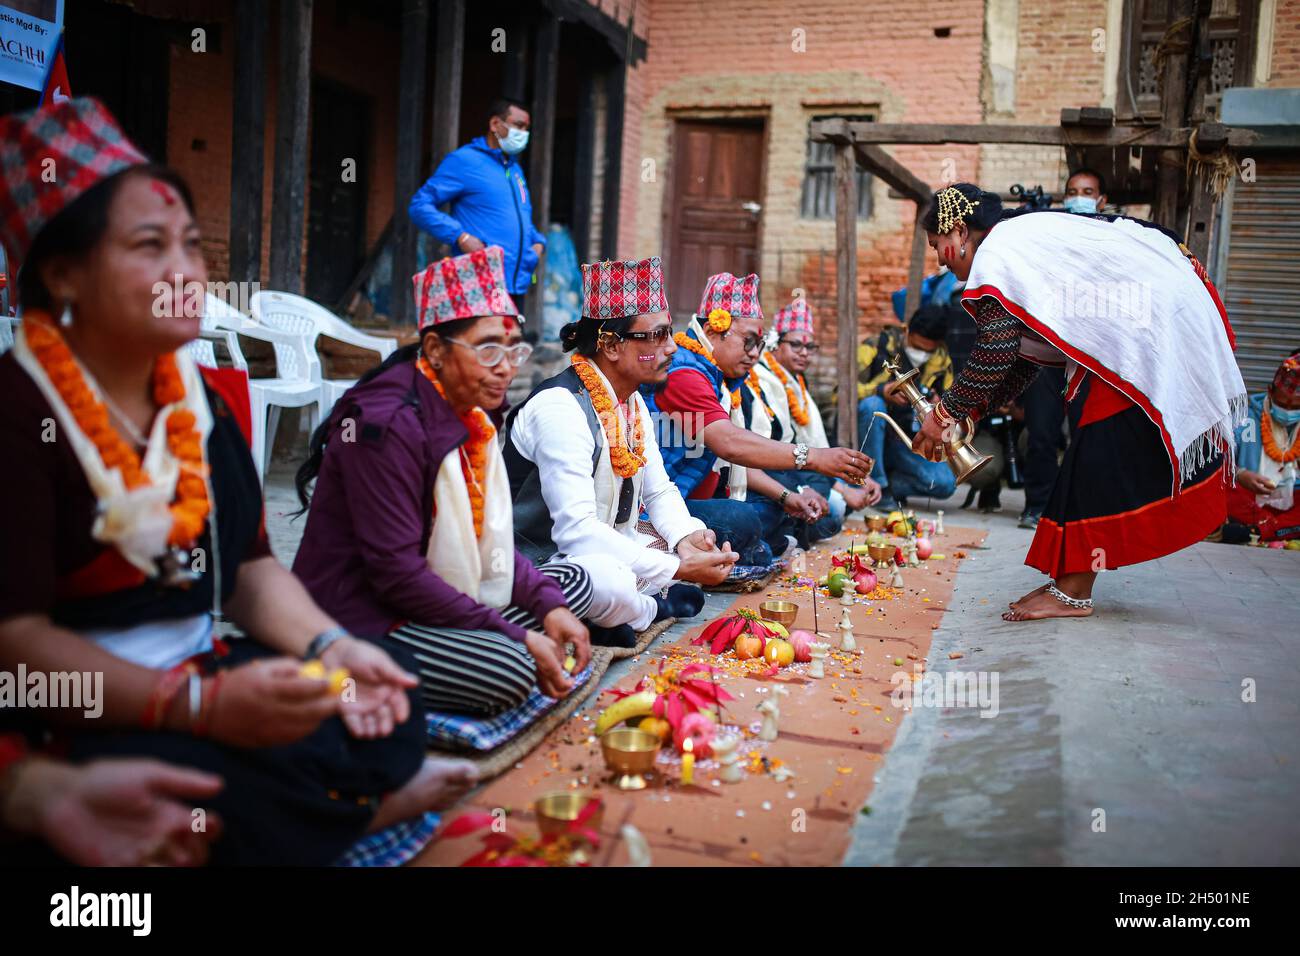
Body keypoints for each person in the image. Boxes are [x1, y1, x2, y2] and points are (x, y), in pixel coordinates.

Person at [0, 98, 474, 867]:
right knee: (194, 801)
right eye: (151, 247)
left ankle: (320, 813)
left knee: (385, 701)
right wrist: (197, 708)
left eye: (190, 245)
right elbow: (15, 648)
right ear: (63, 274)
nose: (187, 272)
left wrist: (329, 647)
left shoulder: (198, 402)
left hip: (202, 671)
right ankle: (335, 819)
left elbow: (250, 568)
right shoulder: (22, 413)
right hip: (77, 712)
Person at [910, 183, 1246, 621]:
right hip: (1149, 318)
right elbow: (1022, 360)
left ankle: (1073, 594)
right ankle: (1067, 585)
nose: (938, 258)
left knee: (1094, 458)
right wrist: (971, 411)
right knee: (1090, 459)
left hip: (1147, 325)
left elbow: (995, 350)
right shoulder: (1014, 241)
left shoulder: (998, 253)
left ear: (958, 230)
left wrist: (943, 414)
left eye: (937, 245)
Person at [293, 246, 593, 717]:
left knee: (570, 584)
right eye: (488, 348)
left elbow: (486, 541)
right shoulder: (385, 425)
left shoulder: (472, 410)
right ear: (434, 349)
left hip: (440, 585)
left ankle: (502, 634)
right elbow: (396, 577)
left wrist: (546, 606)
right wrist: (517, 634)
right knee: (511, 669)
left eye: (513, 348)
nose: (506, 367)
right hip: (367, 614)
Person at [504, 257, 738, 641]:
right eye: (657, 336)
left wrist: (686, 540)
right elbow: (577, 532)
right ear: (611, 345)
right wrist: (677, 569)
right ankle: (649, 608)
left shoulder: (631, 403)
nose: (670, 350)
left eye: (670, 334)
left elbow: (659, 489)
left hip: (601, 547)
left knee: (696, 535)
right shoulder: (560, 408)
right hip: (544, 561)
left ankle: (627, 609)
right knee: (608, 582)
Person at [644, 273, 873, 566]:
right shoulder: (685, 373)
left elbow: (734, 459)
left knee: (788, 509)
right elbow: (729, 443)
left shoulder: (722, 378)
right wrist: (813, 457)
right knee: (743, 520)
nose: (754, 354)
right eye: (748, 342)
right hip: (663, 505)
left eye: (759, 344)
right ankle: (753, 550)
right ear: (713, 331)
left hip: (702, 491)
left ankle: (757, 548)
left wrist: (787, 496)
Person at [1016, 168, 1108, 529]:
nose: (1079, 196)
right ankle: (1037, 505)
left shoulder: (1110, 239)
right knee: (1041, 433)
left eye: (1087, 190)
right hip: (1047, 351)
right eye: (1072, 191)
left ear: (1101, 200)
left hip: (1087, 356)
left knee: (1085, 433)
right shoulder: (1049, 234)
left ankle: (1078, 508)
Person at [753, 297, 881, 543]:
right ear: (774, 345)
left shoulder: (797, 381)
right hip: (778, 469)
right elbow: (779, 446)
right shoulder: (763, 379)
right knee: (836, 510)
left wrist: (857, 477)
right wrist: (840, 487)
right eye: (796, 345)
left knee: (835, 506)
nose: (804, 353)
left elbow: (816, 444)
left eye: (810, 347)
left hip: (801, 467)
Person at [408, 98, 546, 311]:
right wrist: (460, 236)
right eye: (518, 125)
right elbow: (420, 206)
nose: (524, 133)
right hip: (483, 280)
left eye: (526, 128)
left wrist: (537, 243)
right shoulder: (464, 161)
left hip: (517, 284)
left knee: (509, 342)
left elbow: (521, 217)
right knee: (488, 343)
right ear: (494, 124)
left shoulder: (514, 170)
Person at [854, 304, 958, 510]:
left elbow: (951, 404)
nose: (922, 354)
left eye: (928, 350)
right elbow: (841, 392)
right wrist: (881, 391)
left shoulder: (941, 359)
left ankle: (889, 485)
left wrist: (940, 407)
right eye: (918, 348)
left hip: (907, 442)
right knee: (872, 405)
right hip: (869, 438)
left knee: (945, 484)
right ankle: (879, 486)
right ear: (907, 331)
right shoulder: (875, 346)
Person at [1226, 352, 1300, 541]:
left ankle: (1259, 532)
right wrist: (1240, 474)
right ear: (1270, 391)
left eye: (1295, 407)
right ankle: (1265, 531)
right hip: (1248, 503)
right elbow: (1218, 463)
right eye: (1283, 403)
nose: (1288, 411)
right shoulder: (1244, 419)